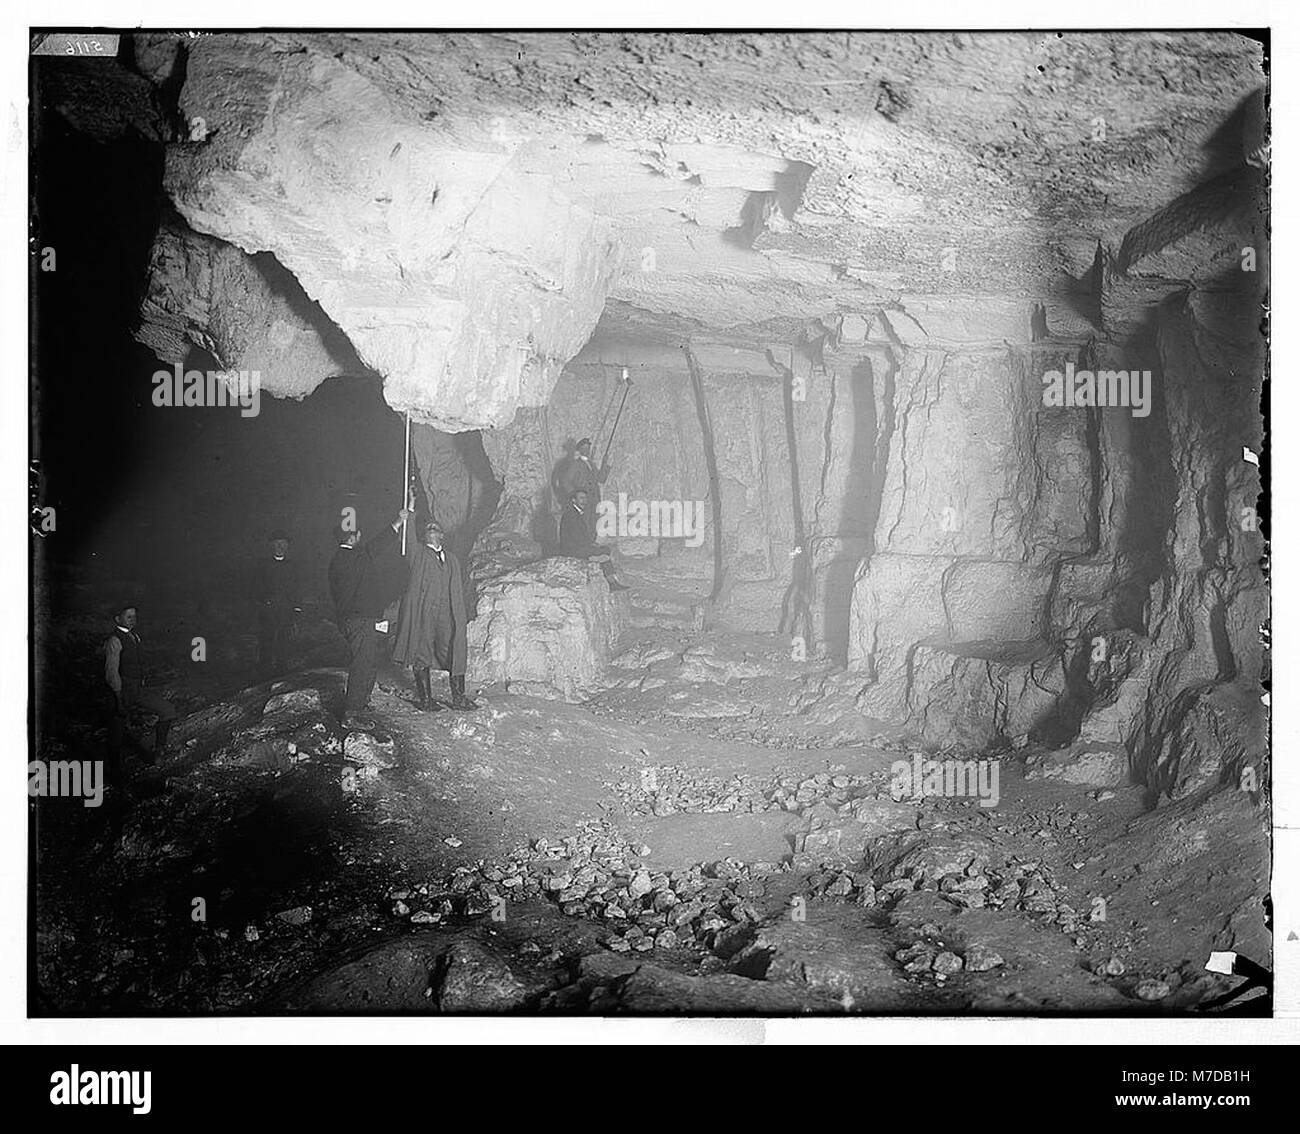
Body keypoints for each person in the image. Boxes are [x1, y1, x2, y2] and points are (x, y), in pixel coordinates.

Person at [328, 505, 411, 728]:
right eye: (357, 535)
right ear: (354, 538)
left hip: (363, 619)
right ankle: (351, 713)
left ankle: (361, 703)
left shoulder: (343, 559)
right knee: (363, 664)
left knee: (370, 661)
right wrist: (399, 521)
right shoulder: (351, 558)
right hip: (360, 620)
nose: (360, 538)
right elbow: (376, 546)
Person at [393, 518, 476, 710]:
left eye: (435, 528)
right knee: (422, 651)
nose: (431, 530)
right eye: (428, 528)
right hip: (425, 612)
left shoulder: (452, 559)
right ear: (424, 536)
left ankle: (459, 698)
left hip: (447, 612)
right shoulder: (418, 554)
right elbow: (409, 539)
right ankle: (426, 700)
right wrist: (410, 512)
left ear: (442, 535)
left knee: (453, 650)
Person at [104, 604, 177, 767]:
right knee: (116, 735)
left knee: (167, 710)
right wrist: (118, 698)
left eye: (135, 617)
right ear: (118, 619)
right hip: (121, 690)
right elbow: (111, 673)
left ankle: (159, 752)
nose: (133, 620)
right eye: (129, 617)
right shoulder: (114, 640)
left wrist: (141, 682)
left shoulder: (135, 637)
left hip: (137, 689)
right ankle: (116, 776)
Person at [558, 489, 628, 591]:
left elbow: (579, 536)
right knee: (604, 551)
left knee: (604, 550)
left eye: (585, 498)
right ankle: (612, 583)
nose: (584, 501)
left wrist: (592, 544)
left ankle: (612, 582)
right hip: (572, 549)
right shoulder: (571, 515)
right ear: (574, 500)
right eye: (581, 498)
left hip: (576, 546)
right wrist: (591, 546)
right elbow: (576, 537)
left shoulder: (575, 513)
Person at [255, 531, 300, 680]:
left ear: (287, 547)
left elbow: (297, 588)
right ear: (271, 546)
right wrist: (263, 601)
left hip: (286, 610)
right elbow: (255, 587)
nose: (280, 547)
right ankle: (264, 672)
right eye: (277, 544)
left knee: (285, 641)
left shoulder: (293, 566)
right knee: (266, 641)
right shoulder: (262, 565)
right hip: (269, 610)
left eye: (283, 544)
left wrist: (297, 608)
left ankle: (282, 672)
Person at [554, 437, 608, 537]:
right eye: (584, 449)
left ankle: (591, 542)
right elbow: (565, 481)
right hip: (583, 499)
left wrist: (604, 464)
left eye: (588, 448)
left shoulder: (591, 464)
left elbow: (601, 479)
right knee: (584, 521)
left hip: (594, 499)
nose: (586, 451)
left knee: (593, 520)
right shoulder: (576, 464)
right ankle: (585, 544)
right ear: (580, 450)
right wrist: (575, 495)